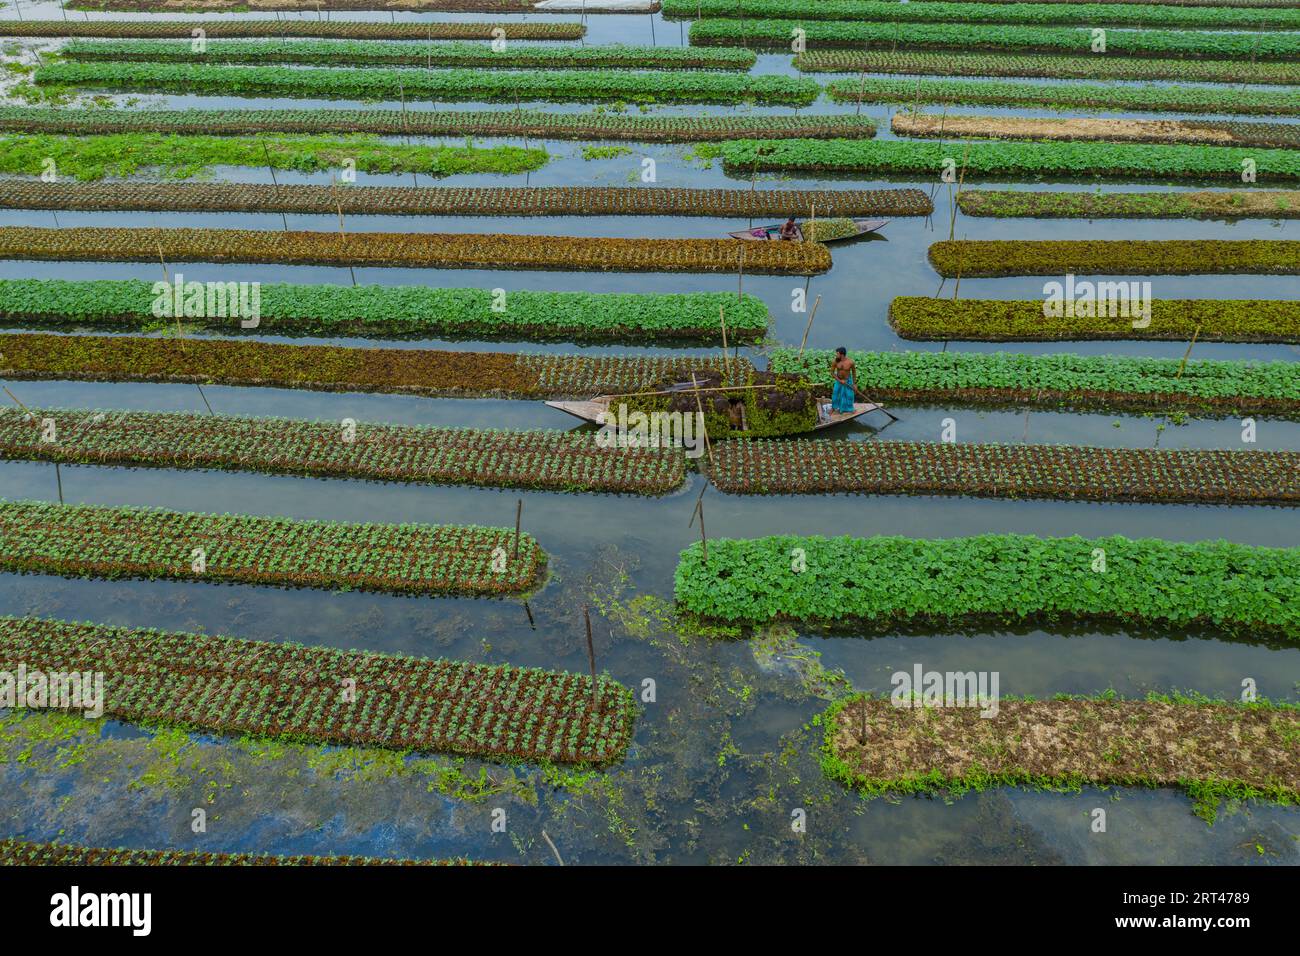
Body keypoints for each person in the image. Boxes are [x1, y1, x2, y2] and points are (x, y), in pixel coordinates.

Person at [831, 347, 856, 415]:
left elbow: (854, 373)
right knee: (835, 394)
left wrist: (854, 384)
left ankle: (850, 408)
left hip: (847, 381)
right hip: (839, 381)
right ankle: (833, 408)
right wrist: (839, 380)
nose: (836, 355)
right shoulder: (835, 361)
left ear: (842, 354)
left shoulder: (850, 362)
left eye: (837, 353)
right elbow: (832, 373)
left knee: (849, 395)